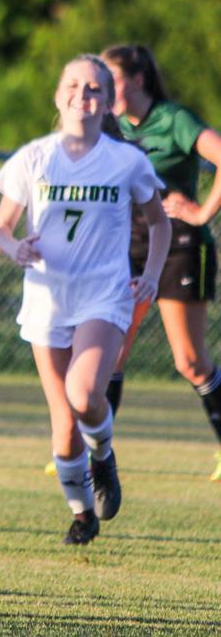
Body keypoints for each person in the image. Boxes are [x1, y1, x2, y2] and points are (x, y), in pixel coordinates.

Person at [0, 55, 169, 545]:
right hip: (48, 298)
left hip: (103, 295)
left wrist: (150, 274)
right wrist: (14, 246)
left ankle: (104, 457)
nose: (82, 95)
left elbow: (159, 221)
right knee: (64, 427)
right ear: (57, 94)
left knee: (85, 392)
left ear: (108, 101)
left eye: (93, 88)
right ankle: (82, 513)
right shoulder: (34, 157)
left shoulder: (125, 161)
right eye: (73, 85)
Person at [102, 44, 221, 481]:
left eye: (109, 78)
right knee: (111, 352)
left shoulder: (174, 119)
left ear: (136, 79)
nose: (101, 88)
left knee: (189, 360)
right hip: (126, 246)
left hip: (180, 243)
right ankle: (95, 454)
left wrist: (203, 211)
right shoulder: (108, 126)